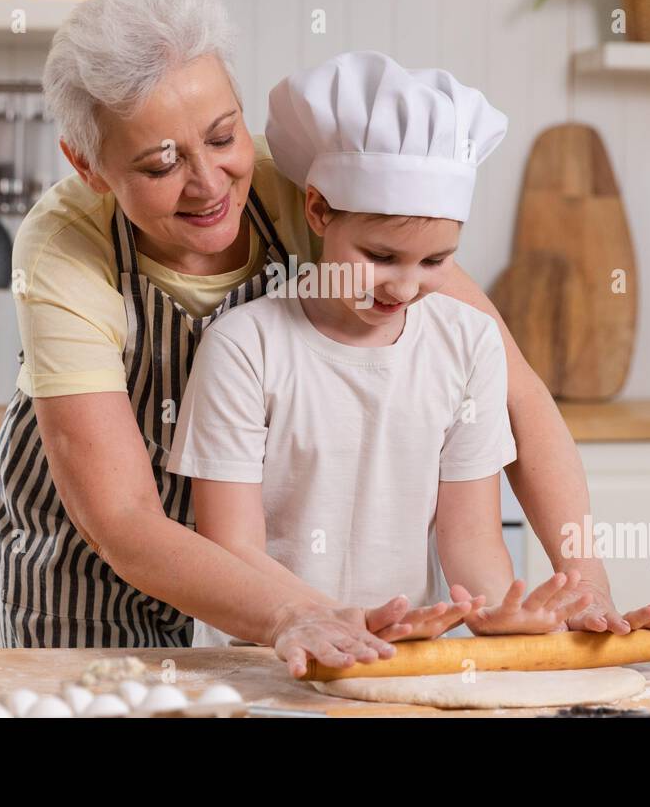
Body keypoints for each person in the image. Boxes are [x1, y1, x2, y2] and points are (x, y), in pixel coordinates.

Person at [0, 0, 650, 677]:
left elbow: (517, 395)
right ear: (89, 166)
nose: (209, 183)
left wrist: (585, 579)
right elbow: (123, 520)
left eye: (223, 137)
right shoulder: (64, 245)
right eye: (162, 163)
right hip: (86, 558)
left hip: (261, 561)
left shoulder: (318, 190)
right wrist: (295, 611)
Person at [170, 51, 598, 647]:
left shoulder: (468, 343)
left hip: (402, 659)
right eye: (379, 256)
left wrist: (498, 614)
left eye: (434, 261)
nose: (403, 286)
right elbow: (231, 548)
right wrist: (332, 620)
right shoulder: (246, 347)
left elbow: (470, 538)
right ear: (318, 210)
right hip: (264, 657)